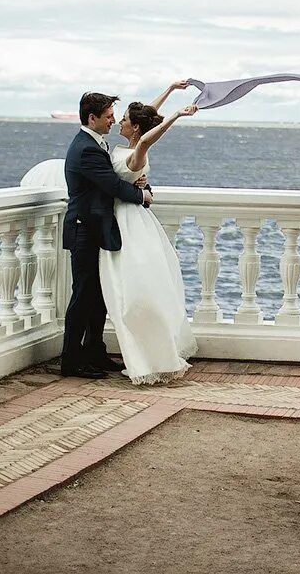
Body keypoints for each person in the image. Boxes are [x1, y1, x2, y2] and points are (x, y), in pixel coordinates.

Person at [100, 80, 200, 383]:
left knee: (132, 292)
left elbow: (146, 138)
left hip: (129, 223)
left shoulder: (137, 153)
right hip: (128, 218)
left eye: (124, 120)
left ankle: (148, 356)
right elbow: (147, 118)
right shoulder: (131, 144)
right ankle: (143, 351)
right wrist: (169, 91)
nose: (119, 122)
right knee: (128, 291)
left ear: (134, 129)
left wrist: (178, 115)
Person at [61, 91, 152, 378]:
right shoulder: (86, 149)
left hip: (96, 229)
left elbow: (116, 179)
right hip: (83, 229)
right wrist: (142, 196)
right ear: (92, 118)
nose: (113, 120)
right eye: (109, 116)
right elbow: (111, 184)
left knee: (98, 296)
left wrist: (140, 186)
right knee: (83, 296)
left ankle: (94, 352)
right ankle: (71, 360)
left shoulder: (96, 144)